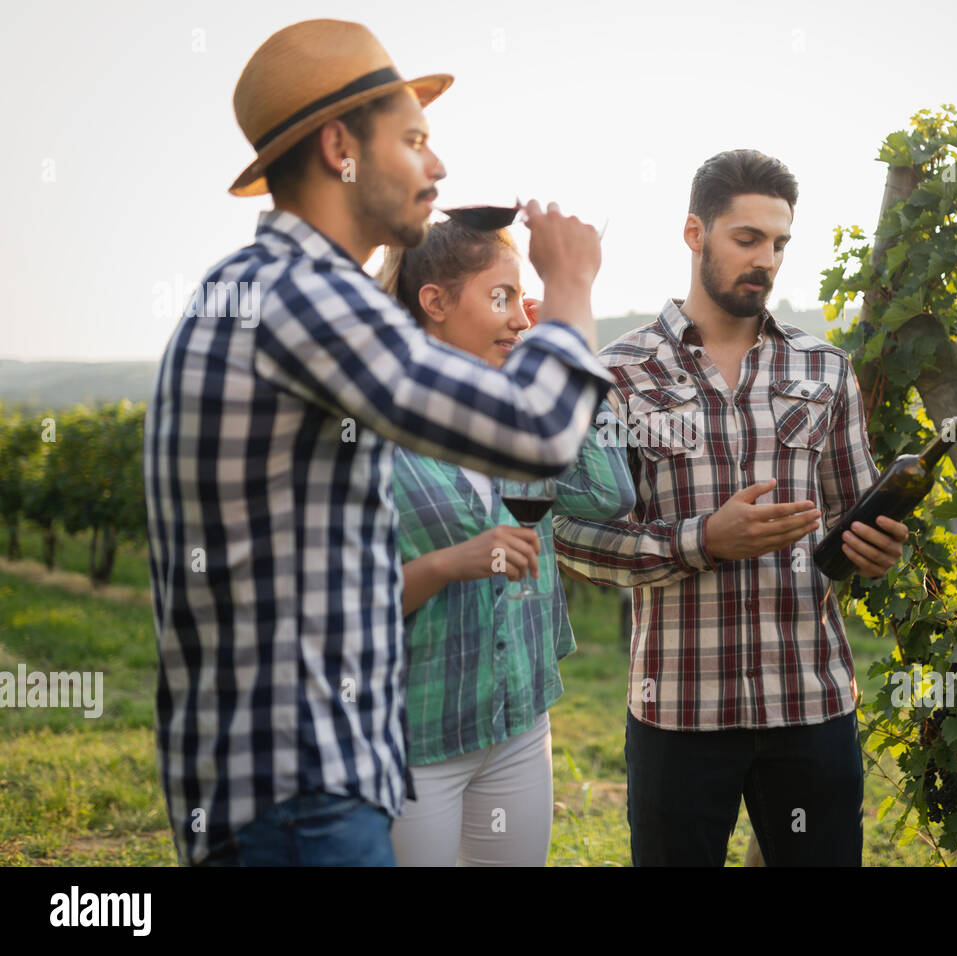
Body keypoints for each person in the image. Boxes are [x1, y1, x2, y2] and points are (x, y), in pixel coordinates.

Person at [142, 19, 611, 867]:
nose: (437, 167)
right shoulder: (302, 294)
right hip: (296, 795)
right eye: (415, 140)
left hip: (290, 784)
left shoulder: (251, 288)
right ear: (339, 147)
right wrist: (571, 286)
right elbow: (538, 433)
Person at [553, 149, 909, 866]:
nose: (767, 260)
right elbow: (572, 537)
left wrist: (881, 549)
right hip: (679, 711)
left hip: (811, 705)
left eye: (779, 243)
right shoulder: (619, 374)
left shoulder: (825, 369)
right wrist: (703, 541)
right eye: (747, 239)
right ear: (695, 233)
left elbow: (855, 512)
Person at [375, 221, 635, 866]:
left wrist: (568, 370)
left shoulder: (516, 414)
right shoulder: (373, 426)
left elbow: (608, 495)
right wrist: (448, 564)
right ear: (434, 303)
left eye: (525, 300)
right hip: (415, 737)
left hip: (517, 719)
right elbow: (337, 602)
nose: (521, 318)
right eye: (503, 298)